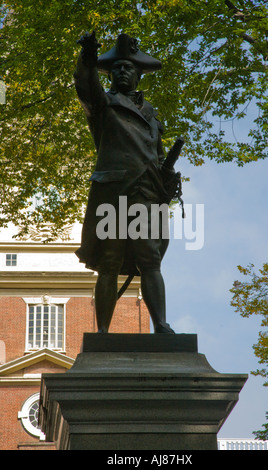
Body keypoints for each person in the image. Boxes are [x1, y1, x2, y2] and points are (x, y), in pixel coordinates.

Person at [74, 31, 176, 334]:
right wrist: (89, 56)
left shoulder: (152, 115)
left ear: (138, 74)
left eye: (127, 67)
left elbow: (157, 158)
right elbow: (85, 86)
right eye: (116, 67)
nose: (121, 71)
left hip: (147, 192)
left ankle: (161, 325)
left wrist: (168, 178)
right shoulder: (103, 105)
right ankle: (102, 332)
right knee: (109, 261)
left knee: (151, 259)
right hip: (115, 191)